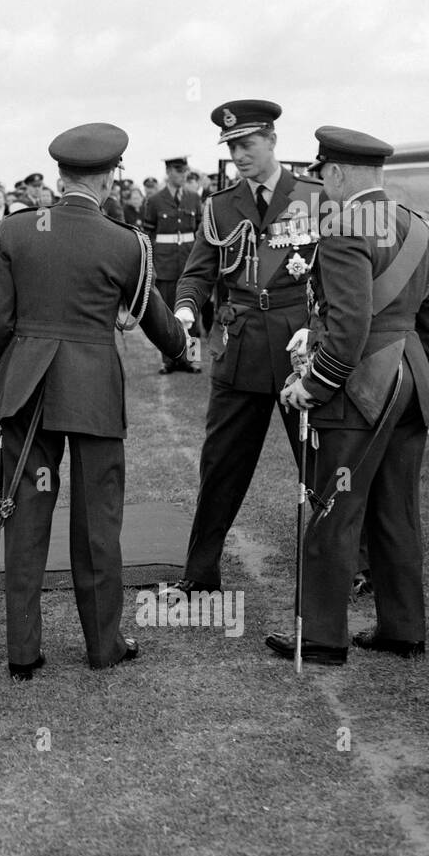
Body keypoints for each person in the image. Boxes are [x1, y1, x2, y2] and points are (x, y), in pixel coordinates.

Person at [0, 123, 189, 681]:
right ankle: (104, 645)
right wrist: (182, 342)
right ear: (110, 177)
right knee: (98, 522)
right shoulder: (123, 241)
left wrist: (10, 371)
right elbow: (156, 323)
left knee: (24, 519)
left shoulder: (17, 230)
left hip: (28, 387)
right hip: (93, 389)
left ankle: (23, 652)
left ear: (59, 176)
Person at [269, 127, 429, 664]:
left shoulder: (345, 226)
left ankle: (322, 637)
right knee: (397, 513)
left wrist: (312, 384)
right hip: (411, 381)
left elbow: (348, 325)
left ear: (340, 173)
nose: (322, 185)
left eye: (323, 175)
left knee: (334, 508)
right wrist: (427, 376)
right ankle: (403, 629)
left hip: (362, 387)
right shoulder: (419, 226)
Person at [169, 99, 320, 597]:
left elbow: (334, 278)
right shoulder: (218, 205)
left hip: (300, 349)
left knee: (319, 458)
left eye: (248, 144)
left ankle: (351, 565)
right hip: (240, 348)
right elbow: (197, 271)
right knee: (221, 464)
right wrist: (186, 309)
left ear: (273, 141)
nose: (240, 155)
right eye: (232, 146)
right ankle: (200, 570)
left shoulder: (313, 198)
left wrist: (320, 329)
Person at [141, 156, 204, 374]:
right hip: (165, 265)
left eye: (185, 169)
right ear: (168, 171)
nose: (184, 173)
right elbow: (147, 234)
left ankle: (192, 358)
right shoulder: (155, 201)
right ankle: (168, 359)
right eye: (178, 170)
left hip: (189, 264)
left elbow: (200, 232)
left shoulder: (194, 198)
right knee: (167, 316)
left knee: (191, 314)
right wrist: (150, 265)